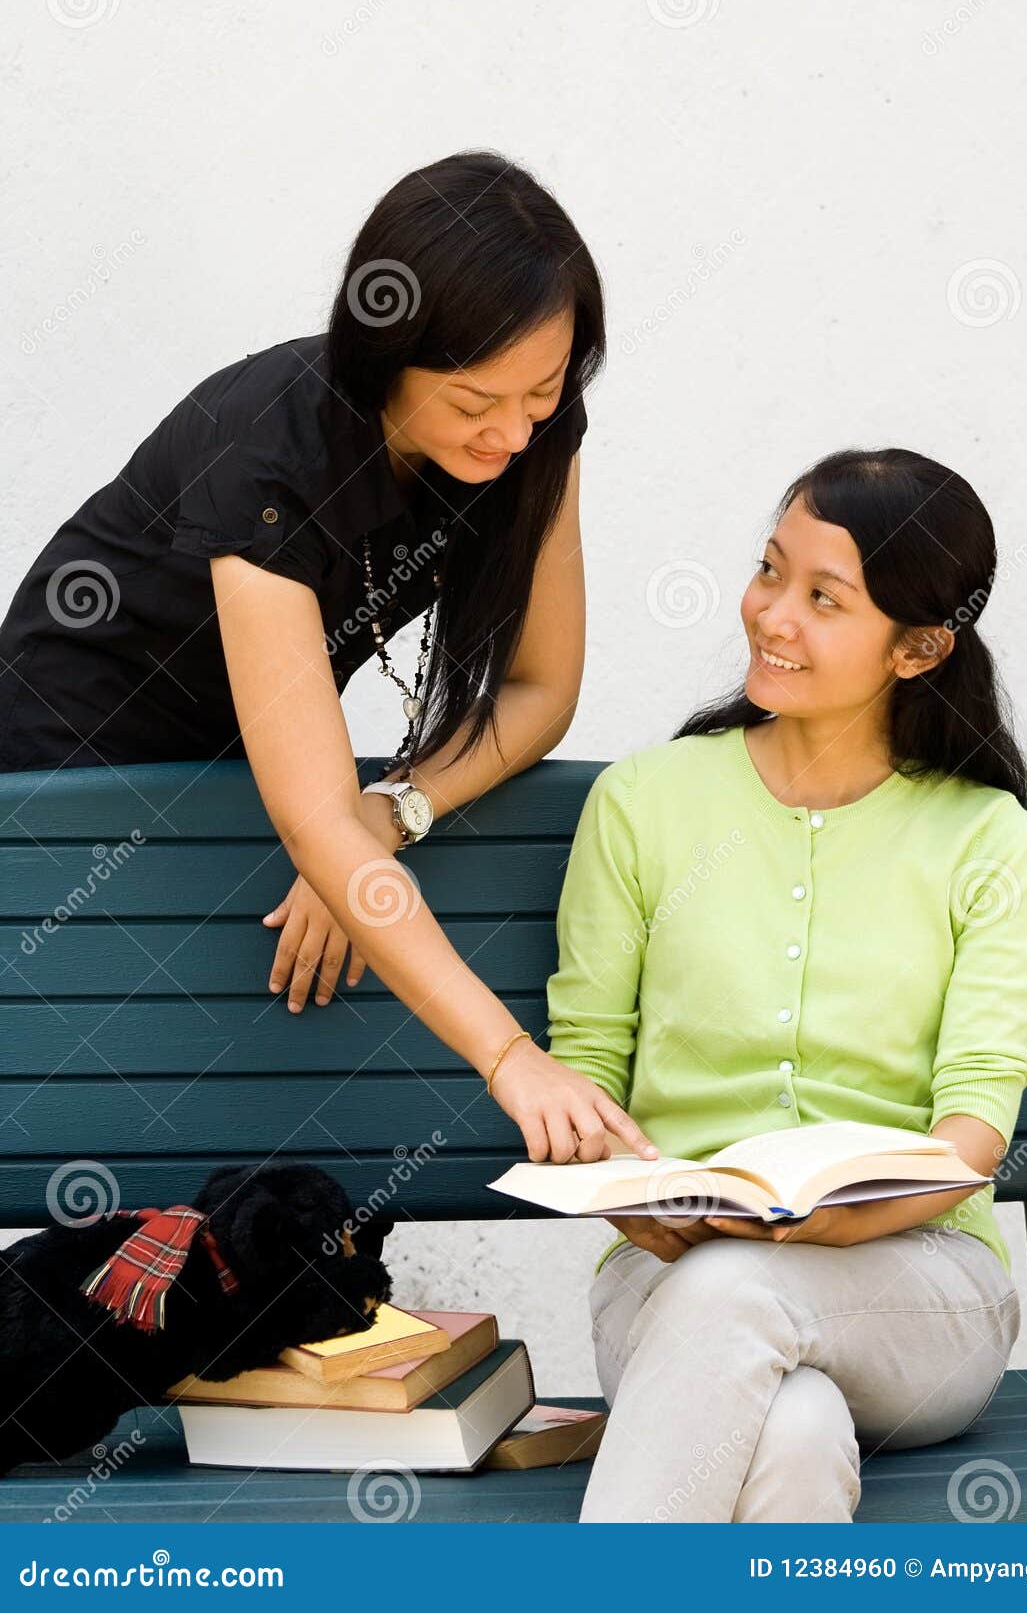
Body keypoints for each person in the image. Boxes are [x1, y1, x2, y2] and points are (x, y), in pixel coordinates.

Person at [0, 151, 659, 1263]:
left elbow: (540, 689)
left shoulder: (535, 433)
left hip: (241, 781)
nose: (511, 434)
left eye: (542, 394)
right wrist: (510, 1059)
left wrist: (390, 808)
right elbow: (310, 816)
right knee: (106, 1120)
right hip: (64, 780)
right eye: (472, 401)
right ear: (382, 361)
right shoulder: (268, 455)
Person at [546, 447, 1027, 1522]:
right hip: (664, 1278)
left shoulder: (986, 842)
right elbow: (583, 1067)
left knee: (739, 1291)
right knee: (794, 1426)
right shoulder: (643, 802)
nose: (772, 615)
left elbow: (974, 1128)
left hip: (918, 1289)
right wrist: (630, 1194)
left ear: (917, 646)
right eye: (770, 571)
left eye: (823, 598)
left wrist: (836, 1225)